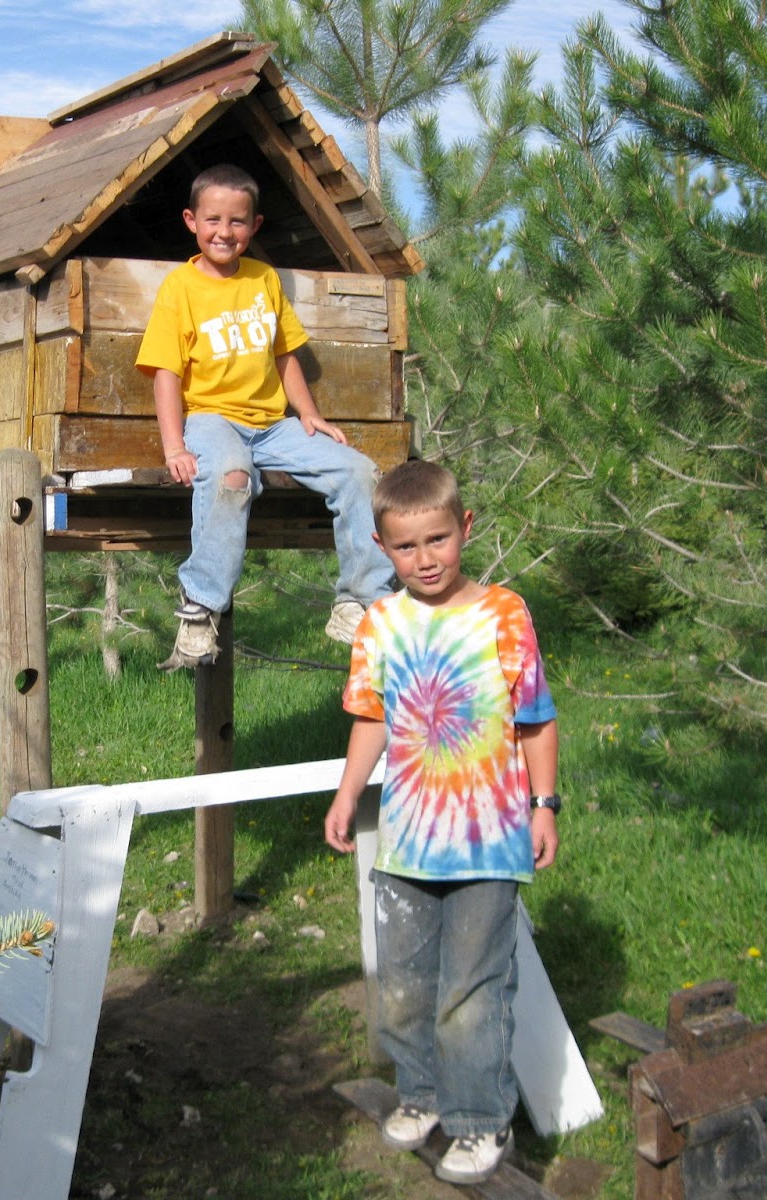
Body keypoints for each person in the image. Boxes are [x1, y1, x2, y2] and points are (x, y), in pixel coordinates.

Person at [323, 459, 560, 1186]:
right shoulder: (380, 623)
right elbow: (371, 717)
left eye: (437, 539)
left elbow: (536, 719)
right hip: (407, 845)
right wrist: (346, 793)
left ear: (465, 528)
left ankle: (481, 1119)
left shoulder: (505, 614)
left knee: (470, 994)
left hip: (490, 843)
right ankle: (421, 1095)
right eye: (405, 546)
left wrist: (544, 804)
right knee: (401, 988)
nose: (424, 559)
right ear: (381, 547)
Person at [135, 164, 394, 669]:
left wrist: (310, 415)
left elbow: (283, 355)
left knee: (358, 471)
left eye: (237, 221)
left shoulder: (264, 279)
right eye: (213, 220)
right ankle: (200, 608)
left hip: (274, 426)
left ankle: (359, 602)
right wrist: (174, 446)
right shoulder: (180, 288)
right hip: (212, 420)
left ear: (254, 225)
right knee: (232, 477)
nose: (224, 232)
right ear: (191, 221)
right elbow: (166, 372)